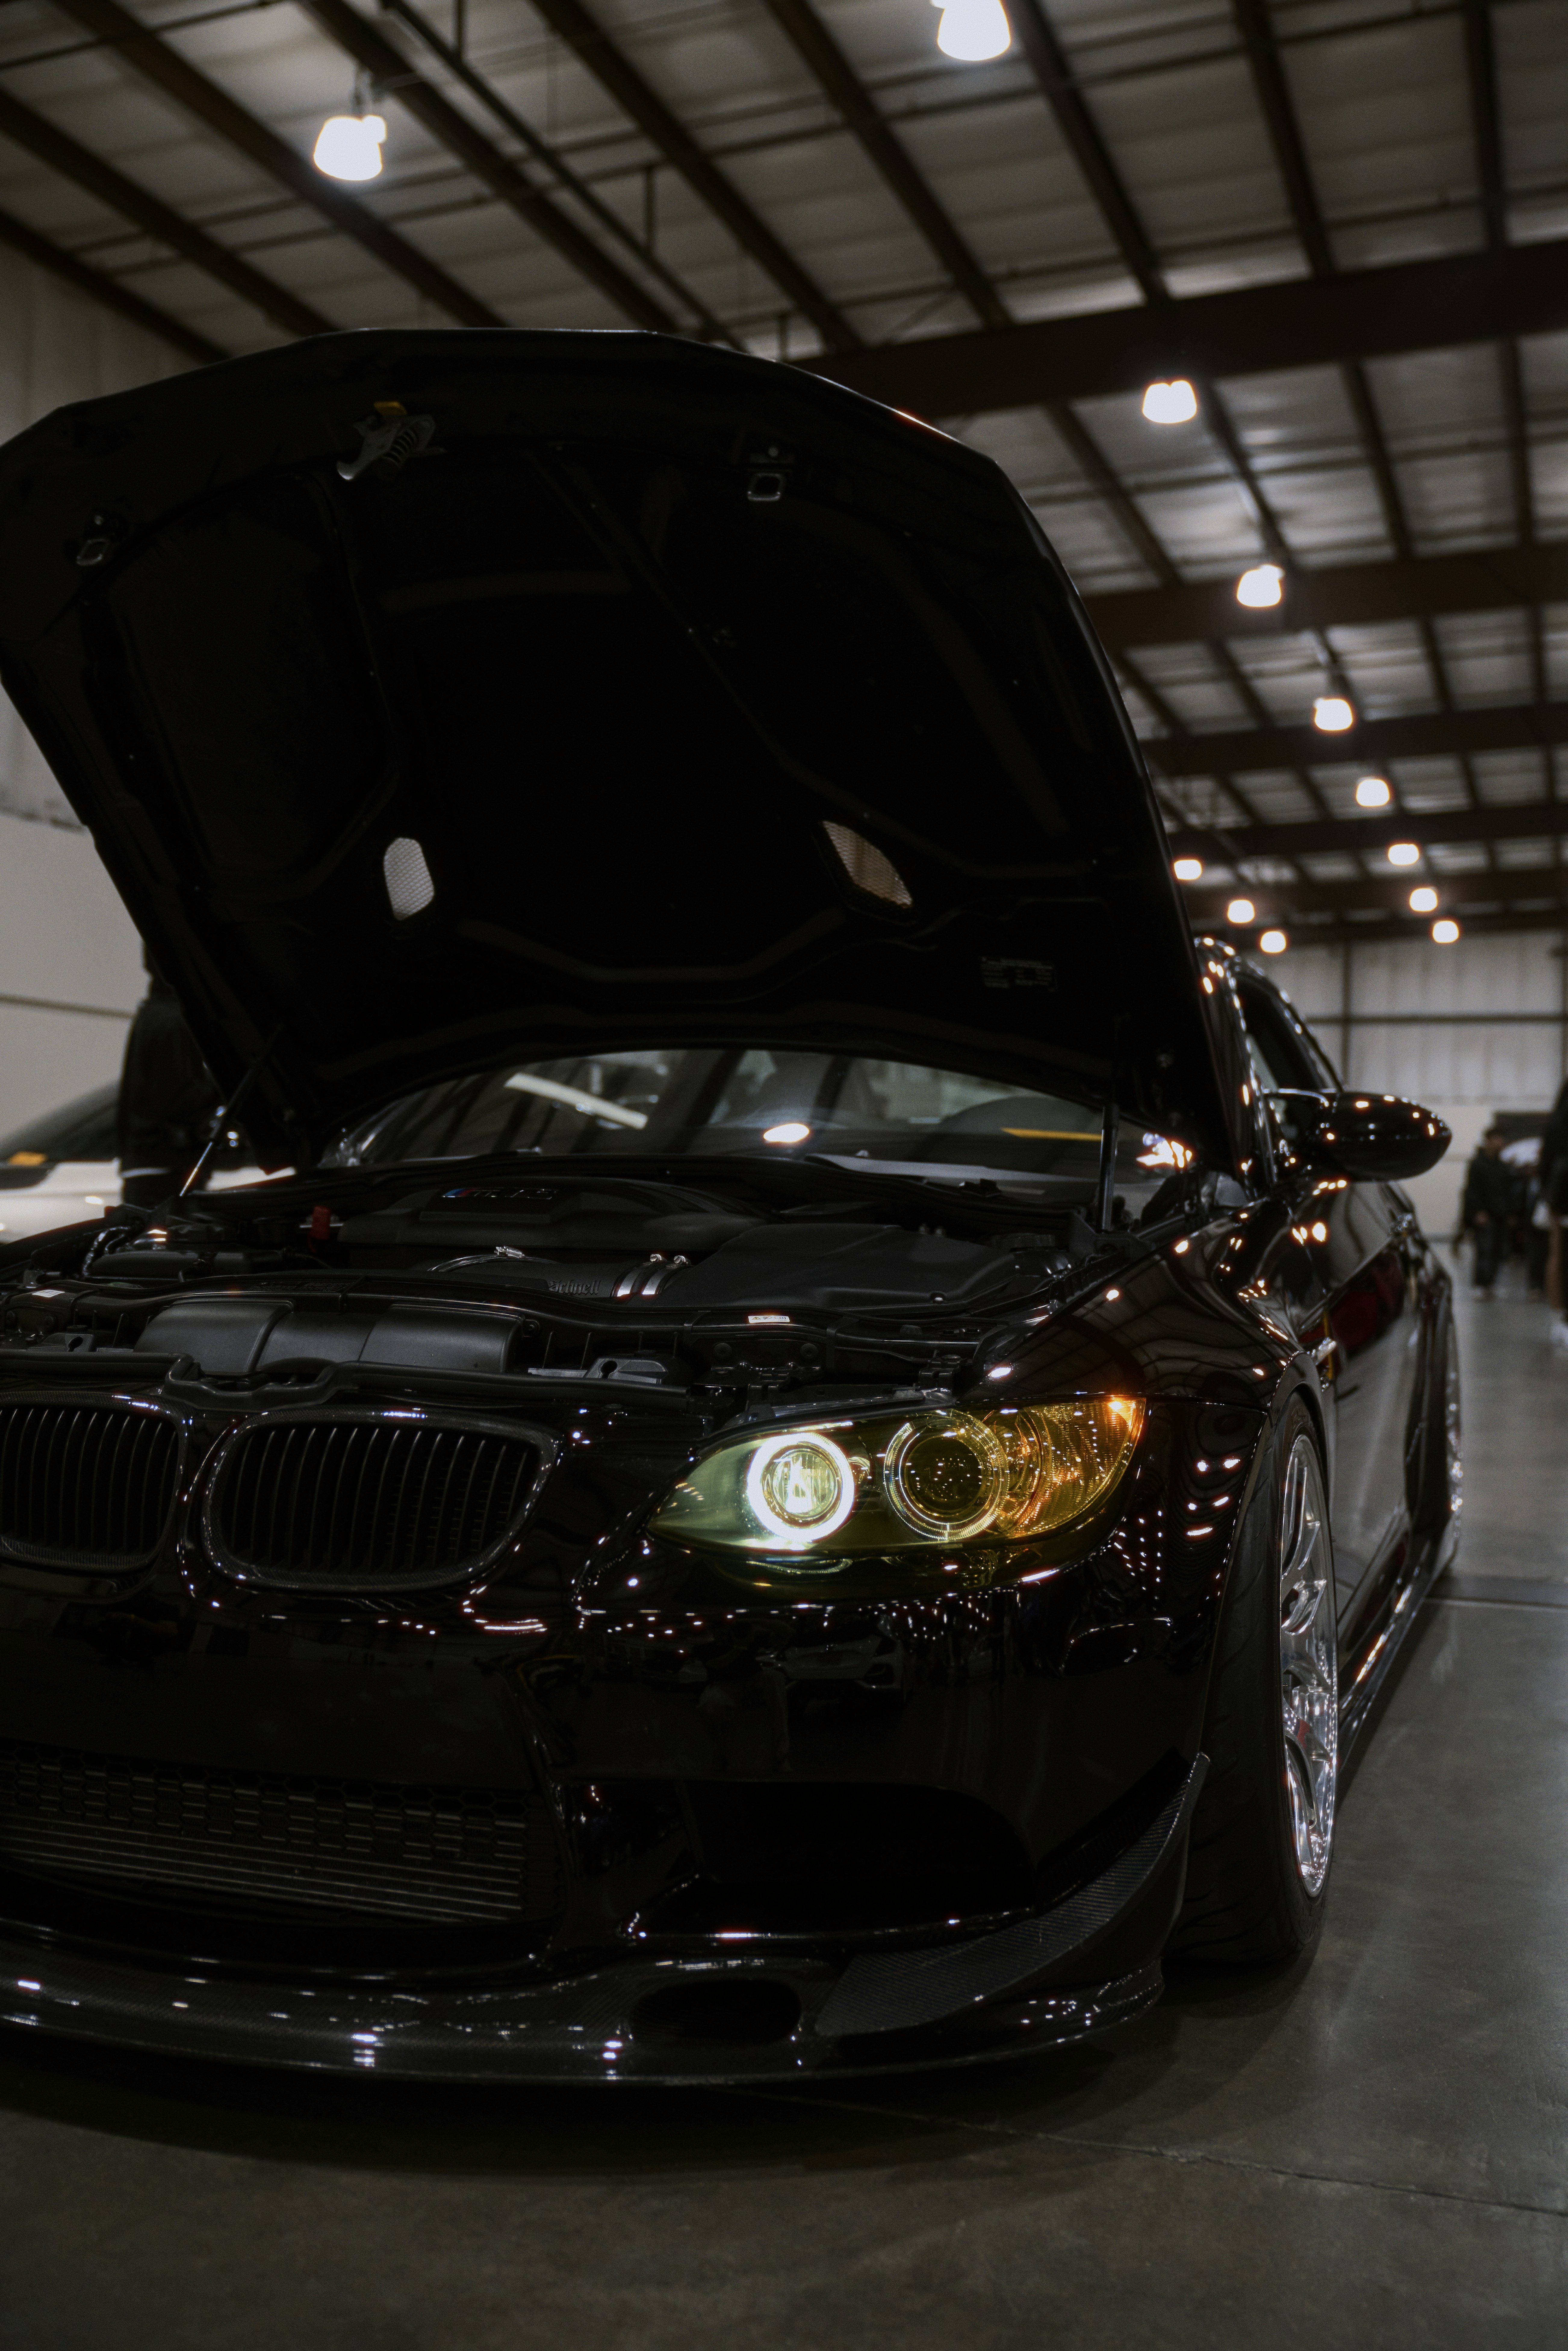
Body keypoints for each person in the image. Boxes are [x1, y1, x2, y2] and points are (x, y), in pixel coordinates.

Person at [116, 957, 222, 1207]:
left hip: (149, 1166)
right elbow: (179, 1099)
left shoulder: (152, 1013)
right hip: (167, 1169)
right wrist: (226, 1086)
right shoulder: (174, 1021)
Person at [1461, 1126, 1514, 1295]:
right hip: (1485, 1214)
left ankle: (1490, 1284)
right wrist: (1478, 1211)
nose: (1501, 1143)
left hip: (1501, 1214)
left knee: (1498, 1250)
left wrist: (1511, 1212)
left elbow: (1508, 1191)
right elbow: (1472, 1190)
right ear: (1489, 1141)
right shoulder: (1478, 1164)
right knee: (1485, 1250)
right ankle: (1481, 1284)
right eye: (1498, 1139)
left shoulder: (1502, 1166)